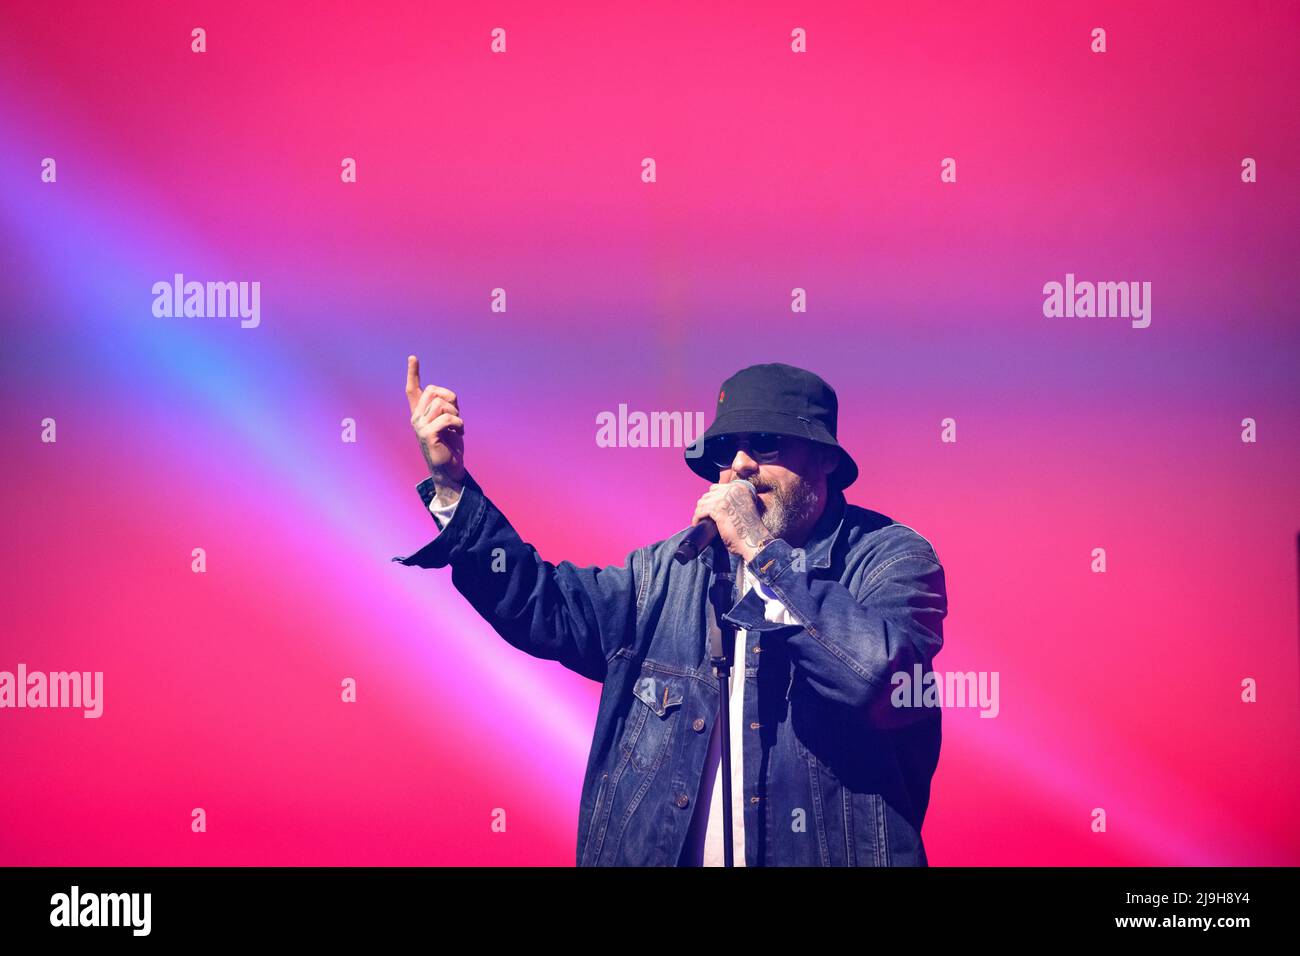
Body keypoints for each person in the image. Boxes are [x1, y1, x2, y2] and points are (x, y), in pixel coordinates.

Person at [393, 358, 948, 866]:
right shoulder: (666, 573)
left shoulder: (891, 559)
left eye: (765, 443)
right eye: (726, 449)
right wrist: (451, 485)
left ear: (824, 458)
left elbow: (880, 680)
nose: (741, 465)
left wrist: (762, 552)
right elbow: (542, 604)